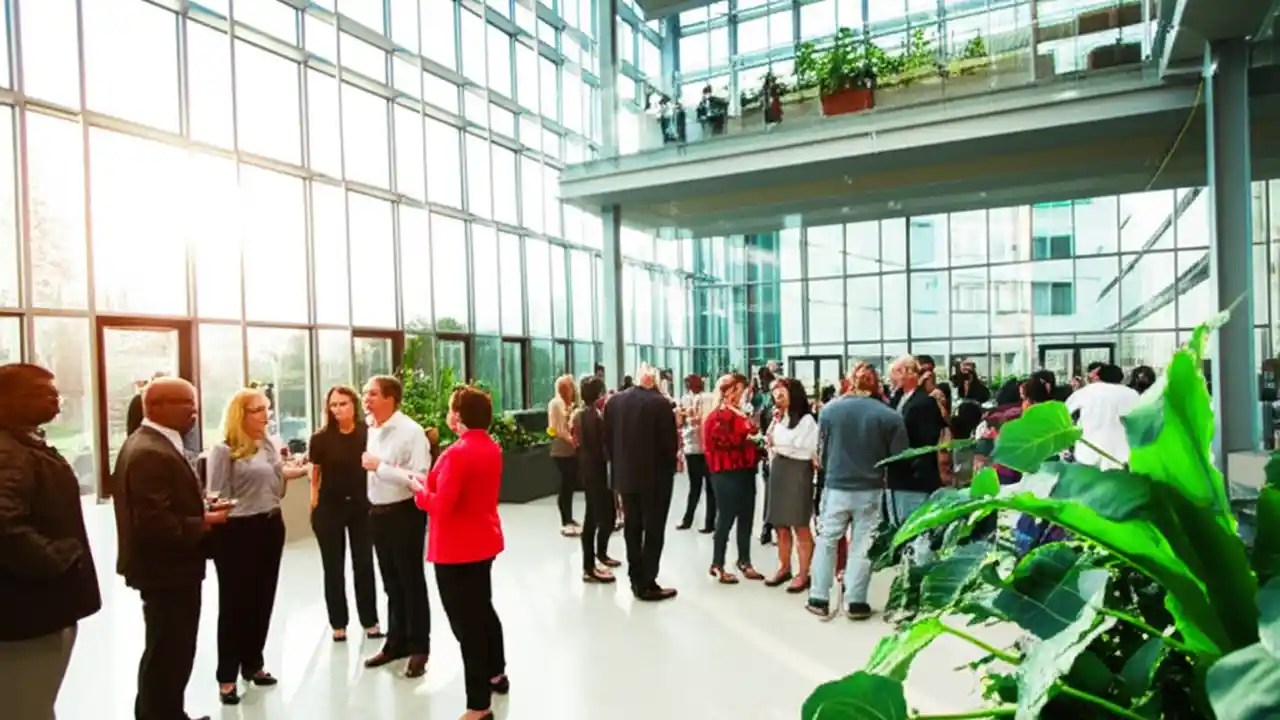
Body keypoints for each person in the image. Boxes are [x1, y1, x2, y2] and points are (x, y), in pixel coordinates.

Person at [113, 377, 228, 720]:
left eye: (194, 404)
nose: (193, 412)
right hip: (166, 570)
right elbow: (154, 525)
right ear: (155, 407)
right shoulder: (149, 451)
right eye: (185, 404)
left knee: (167, 651)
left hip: (169, 569)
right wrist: (206, 521)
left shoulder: (154, 442)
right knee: (169, 653)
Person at [0, 364, 102, 720]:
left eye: (55, 393)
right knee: (25, 704)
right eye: (43, 393)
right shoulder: (9, 452)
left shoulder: (24, 443)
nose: (56, 401)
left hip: (36, 607)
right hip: (26, 611)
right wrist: (58, 559)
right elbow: (5, 527)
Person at [206, 388, 309, 705]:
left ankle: (253, 663)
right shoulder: (223, 450)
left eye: (267, 409)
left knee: (263, 598)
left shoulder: (268, 444)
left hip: (270, 525)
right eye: (258, 410)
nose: (266, 415)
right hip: (237, 531)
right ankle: (226, 675)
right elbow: (215, 497)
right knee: (235, 604)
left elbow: (278, 487)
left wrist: (291, 469)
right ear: (241, 414)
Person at [413, 386, 508, 720]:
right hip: (484, 541)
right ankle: (496, 672)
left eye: (452, 409)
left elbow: (442, 505)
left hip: (456, 549)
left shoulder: (457, 453)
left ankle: (478, 704)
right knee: (482, 610)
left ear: (458, 415)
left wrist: (418, 492)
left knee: (467, 625)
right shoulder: (490, 447)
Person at [807, 364, 908, 620]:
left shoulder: (829, 411)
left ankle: (818, 597)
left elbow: (822, 451)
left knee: (827, 539)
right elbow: (899, 457)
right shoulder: (889, 416)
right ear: (876, 384)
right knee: (863, 544)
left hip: (836, 485)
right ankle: (855, 601)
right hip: (871, 488)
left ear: (849, 381)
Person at [361, 375, 432, 678]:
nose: (366, 399)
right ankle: (396, 642)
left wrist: (381, 467)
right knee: (391, 583)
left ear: (391, 398)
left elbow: (420, 479)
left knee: (410, 581)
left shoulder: (411, 432)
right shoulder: (372, 429)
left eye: (373, 394)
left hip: (405, 513)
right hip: (378, 513)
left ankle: (419, 648)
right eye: (365, 393)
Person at [309, 386, 381, 643]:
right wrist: (314, 501)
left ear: (354, 404)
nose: (338, 409)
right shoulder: (320, 438)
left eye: (343, 404)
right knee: (333, 567)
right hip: (329, 508)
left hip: (362, 507)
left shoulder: (368, 433)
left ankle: (370, 620)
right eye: (334, 405)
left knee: (363, 564)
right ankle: (338, 623)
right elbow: (315, 471)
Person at [603, 364, 679, 601]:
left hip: (625, 476)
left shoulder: (613, 403)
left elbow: (607, 440)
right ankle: (647, 581)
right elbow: (669, 446)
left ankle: (635, 577)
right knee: (653, 529)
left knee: (632, 527)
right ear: (655, 381)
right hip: (655, 479)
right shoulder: (661, 404)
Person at [702, 372, 765, 585]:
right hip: (727, 473)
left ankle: (744, 560)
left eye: (742, 389)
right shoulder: (718, 416)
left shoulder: (738, 413)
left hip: (746, 471)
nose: (741, 393)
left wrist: (756, 443)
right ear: (727, 390)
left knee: (746, 516)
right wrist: (750, 438)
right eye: (737, 389)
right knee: (726, 518)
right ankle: (717, 563)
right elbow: (720, 441)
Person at [887, 356, 949, 566]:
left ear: (909, 373)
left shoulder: (924, 403)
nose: (891, 378)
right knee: (903, 531)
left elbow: (927, 440)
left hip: (916, 479)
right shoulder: (898, 399)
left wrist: (914, 466)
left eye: (895, 372)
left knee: (920, 533)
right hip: (898, 478)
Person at [763, 377, 818, 594]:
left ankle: (804, 573)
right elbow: (772, 441)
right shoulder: (777, 418)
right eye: (775, 393)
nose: (777, 397)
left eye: (781, 392)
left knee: (799, 523)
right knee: (779, 523)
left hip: (798, 471)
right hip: (778, 469)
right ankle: (783, 566)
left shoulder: (807, 420)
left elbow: (802, 446)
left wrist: (780, 442)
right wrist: (777, 437)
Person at [574, 375, 619, 582]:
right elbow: (600, 446)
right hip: (596, 473)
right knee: (595, 519)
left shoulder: (583, 414)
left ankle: (599, 556)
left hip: (591, 471)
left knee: (600, 517)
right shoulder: (593, 417)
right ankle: (589, 566)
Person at [1065, 363, 1139, 470]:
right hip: (1121, 455)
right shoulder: (1132, 394)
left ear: (1099, 376)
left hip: (1088, 453)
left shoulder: (1086, 392)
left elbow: (1065, 412)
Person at [676, 374, 717, 533]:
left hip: (699, 446)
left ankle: (698, 520)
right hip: (698, 447)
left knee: (701, 487)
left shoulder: (701, 399)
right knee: (702, 486)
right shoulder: (690, 399)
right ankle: (701, 521)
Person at [548, 375, 581, 537]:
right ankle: (565, 520)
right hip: (561, 450)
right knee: (565, 485)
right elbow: (558, 429)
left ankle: (569, 517)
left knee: (570, 485)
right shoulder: (555, 404)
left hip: (571, 450)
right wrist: (573, 440)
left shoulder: (571, 405)